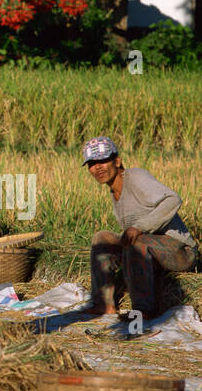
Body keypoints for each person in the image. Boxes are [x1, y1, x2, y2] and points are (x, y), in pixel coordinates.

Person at [82, 135, 196, 322]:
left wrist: (138, 228)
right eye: (92, 164)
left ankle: (143, 311)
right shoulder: (114, 191)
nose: (97, 168)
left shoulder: (135, 177)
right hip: (150, 248)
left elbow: (173, 200)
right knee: (102, 238)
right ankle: (104, 304)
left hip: (181, 251)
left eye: (102, 161)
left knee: (137, 241)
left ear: (117, 161)